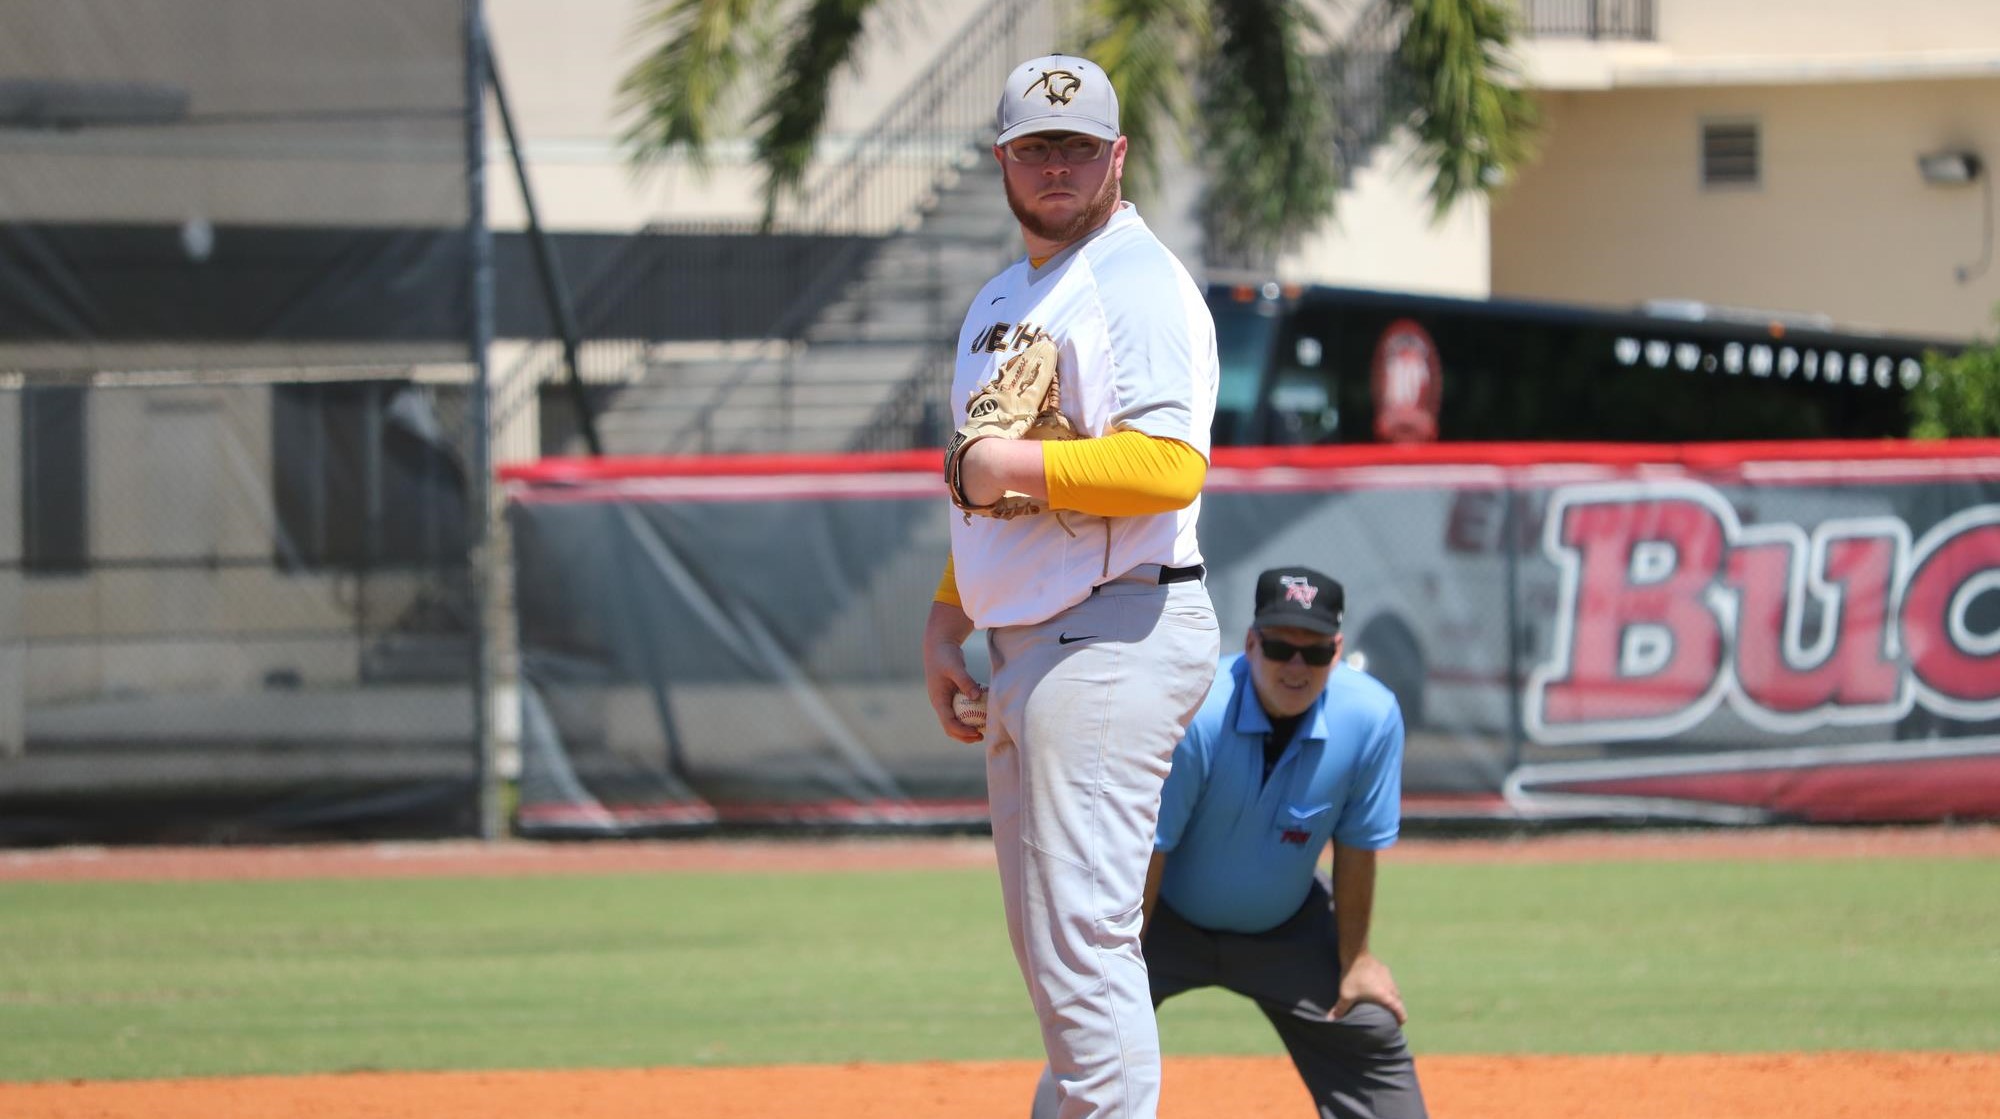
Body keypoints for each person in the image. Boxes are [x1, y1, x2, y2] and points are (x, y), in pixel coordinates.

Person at [920, 53, 1222, 1119]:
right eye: (1037, 147)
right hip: (1039, 643)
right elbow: (983, 494)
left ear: (1116, 157)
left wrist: (1018, 467)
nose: (1057, 166)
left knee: (1084, 949)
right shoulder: (1006, 298)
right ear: (1001, 158)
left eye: (1077, 147)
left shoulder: (1134, 285)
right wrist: (949, 614)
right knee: (1062, 965)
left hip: (1111, 634)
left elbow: (1167, 468)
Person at [1034, 565, 1429, 1119]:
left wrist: (1356, 958)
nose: (1296, 666)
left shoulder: (1371, 717)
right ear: (1250, 642)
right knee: (1093, 1037)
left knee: (1368, 1021)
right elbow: (1152, 848)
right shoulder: (1197, 711)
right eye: (1279, 647)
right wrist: (1125, 963)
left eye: (1314, 652)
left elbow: (1359, 847)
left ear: (1337, 651)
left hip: (1287, 929)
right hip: (1162, 918)